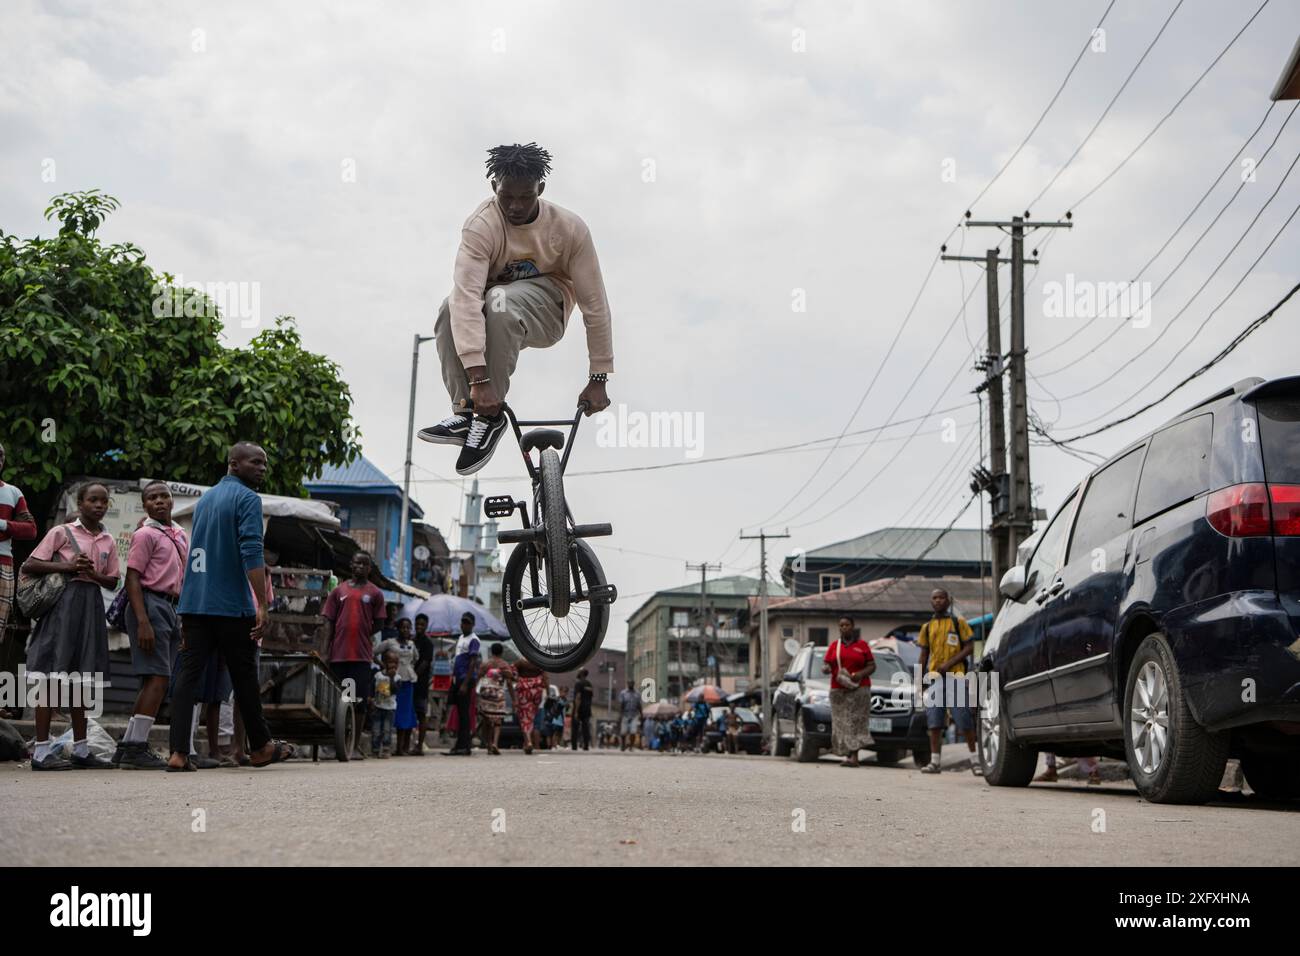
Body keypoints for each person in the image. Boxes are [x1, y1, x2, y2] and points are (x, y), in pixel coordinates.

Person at [417, 142, 614, 476]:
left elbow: (595, 305)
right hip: (495, 306)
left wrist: (598, 376)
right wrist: (477, 382)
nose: (515, 206)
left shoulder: (569, 229)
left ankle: (490, 418)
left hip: (547, 309)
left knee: (499, 302)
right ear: (494, 186)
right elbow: (466, 297)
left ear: (541, 189)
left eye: (526, 197)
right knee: (450, 308)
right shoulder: (481, 226)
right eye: (506, 196)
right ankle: (467, 413)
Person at [168, 442, 290, 771]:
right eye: (255, 463)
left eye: (265, 463)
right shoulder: (247, 498)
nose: (262, 468)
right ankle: (262, 747)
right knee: (245, 677)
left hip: (195, 603)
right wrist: (261, 605)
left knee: (187, 677)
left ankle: (178, 752)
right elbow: (252, 550)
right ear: (234, 464)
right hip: (230, 605)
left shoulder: (205, 499)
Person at [21, 482, 120, 770]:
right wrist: (68, 567)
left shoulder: (109, 540)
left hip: (91, 605)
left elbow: (113, 580)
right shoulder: (61, 532)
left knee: (81, 678)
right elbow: (30, 565)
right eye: (93, 500)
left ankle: (81, 749)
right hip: (63, 605)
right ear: (80, 503)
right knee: (51, 676)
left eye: (103, 501)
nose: (99, 505)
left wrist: (94, 574)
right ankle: (40, 752)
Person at [322, 551, 387, 760]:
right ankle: (335, 744)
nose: (360, 567)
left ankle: (355, 744)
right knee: (337, 701)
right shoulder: (338, 591)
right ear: (351, 565)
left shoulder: (375, 593)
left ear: (369, 568)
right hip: (338, 655)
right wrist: (325, 651)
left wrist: (363, 633)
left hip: (360, 656)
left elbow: (379, 622)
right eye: (356, 563)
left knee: (358, 702)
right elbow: (329, 622)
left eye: (364, 564)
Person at [917, 588, 978, 775]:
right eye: (934, 598)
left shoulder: (958, 623)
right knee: (934, 721)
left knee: (963, 718)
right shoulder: (927, 627)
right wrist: (920, 680)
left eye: (941, 598)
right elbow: (923, 654)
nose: (938, 601)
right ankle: (934, 762)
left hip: (956, 676)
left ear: (948, 601)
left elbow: (969, 647)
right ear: (931, 601)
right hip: (935, 678)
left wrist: (950, 663)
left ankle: (975, 760)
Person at [822, 618, 877, 768]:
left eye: (847, 625)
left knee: (855, 721)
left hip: (860, 688)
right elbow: (826, 664)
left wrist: (860, 674)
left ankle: (854, 756)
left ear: (853, 627)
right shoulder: (834, 646)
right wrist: (826, 668)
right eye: (841, 625)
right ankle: (848, 754)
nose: (844, 628)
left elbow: (872, 666)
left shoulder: (862, 645)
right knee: (842, 722)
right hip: (838, 689)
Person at [0, 442, 37, 654]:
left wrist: (3, 524)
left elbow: (31, 530)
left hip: (3, 566)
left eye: (1, 456)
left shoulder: (13, 492)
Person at [376, 618, 420, 756]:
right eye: (403, 627)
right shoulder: (390, 642)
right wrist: (384, 666)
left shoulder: (412, 644)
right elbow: (374, 652)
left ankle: (401, 747)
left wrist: (410, 669)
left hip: (407, 682)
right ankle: (381, 745)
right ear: (398, 628)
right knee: (387, 710)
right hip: (390, 681)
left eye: (408, 627)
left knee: (405, 715)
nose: (405, 630)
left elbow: (416, 658)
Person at [445, 613, 480, 755]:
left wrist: (465, 684)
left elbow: (472, 663)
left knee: (464, 714)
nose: (464, 625)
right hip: (457, 679)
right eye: (463, 622)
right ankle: (460, 744)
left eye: (467, 623)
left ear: (472, 625)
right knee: (459, 713)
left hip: (466, 679)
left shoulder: (474, 640)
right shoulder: (460, 638)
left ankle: (465, 746)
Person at [410, 612, 434, 754]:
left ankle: (420, 745)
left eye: (422, 625)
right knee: (410, 713)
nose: (419, 626)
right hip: (409, 683)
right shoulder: (412, 641)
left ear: (426, 626)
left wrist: (414, 676)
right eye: (417, 624)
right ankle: (408, 745)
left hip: (421, 684)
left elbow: (425, 663)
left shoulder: (427, 643)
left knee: (421, 714)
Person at [513, 658, 547, 755]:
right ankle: (527, 741)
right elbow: (545, 676)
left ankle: (528, 741)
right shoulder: (539, 661)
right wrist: (547, 691)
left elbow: (512, 674)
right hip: (537, 690)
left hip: (524, 690)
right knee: (531, 717)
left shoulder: (520, 662)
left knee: (524, 718)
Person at [371, 651, 400, 758]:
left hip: (390, 708)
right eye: (390, 662)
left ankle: (386, 749)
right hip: (378, 706)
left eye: (396, 663)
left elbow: (394, 690)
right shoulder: (378, 675)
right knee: (376, 729)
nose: (393, 665)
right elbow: (372, 688)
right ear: (384, 662)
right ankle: (375, 749)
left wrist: (391, 678)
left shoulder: (397, 678)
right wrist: (371, 699)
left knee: (387, 730)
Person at [571, 668, 594, 751]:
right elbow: (591, 697)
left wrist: (576, 711)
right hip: (587, 709)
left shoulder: (578, 684)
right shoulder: (589, 684)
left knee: (575, 728)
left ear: (581, 674)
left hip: (579, 708)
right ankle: (586, 745)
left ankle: (574, 746)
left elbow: (578, 697)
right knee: (586, 728)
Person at [617, 680, 641, 752]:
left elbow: (639, 705)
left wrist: (641, 714)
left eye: (632, 683)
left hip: (634, 714)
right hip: (625, 714)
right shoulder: (623, 693)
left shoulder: (637, 694)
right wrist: (620, 715)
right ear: (627, 684)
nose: (630, 684)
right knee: (623, 732)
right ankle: (623, 745)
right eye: (629, 683)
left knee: (633, 731)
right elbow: (621, 705)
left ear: (634, 684)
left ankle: (631, 746)